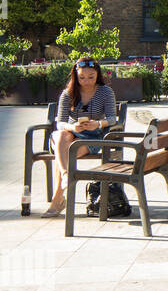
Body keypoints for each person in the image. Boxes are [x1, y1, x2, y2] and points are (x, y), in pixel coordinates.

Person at [42, 57, 119, 217]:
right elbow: (61, 122)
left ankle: (58, 199)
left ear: (97, 74)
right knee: (62, 135)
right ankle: (65, 175)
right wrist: (73, 126)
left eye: (91, 77)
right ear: (75, 77)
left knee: (63, 152)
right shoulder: (68, 93)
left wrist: (98, 124)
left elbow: (112, 118)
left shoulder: (105, 92)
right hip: (69, 133)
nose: (87, 81)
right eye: (82, 77)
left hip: (92, 136)